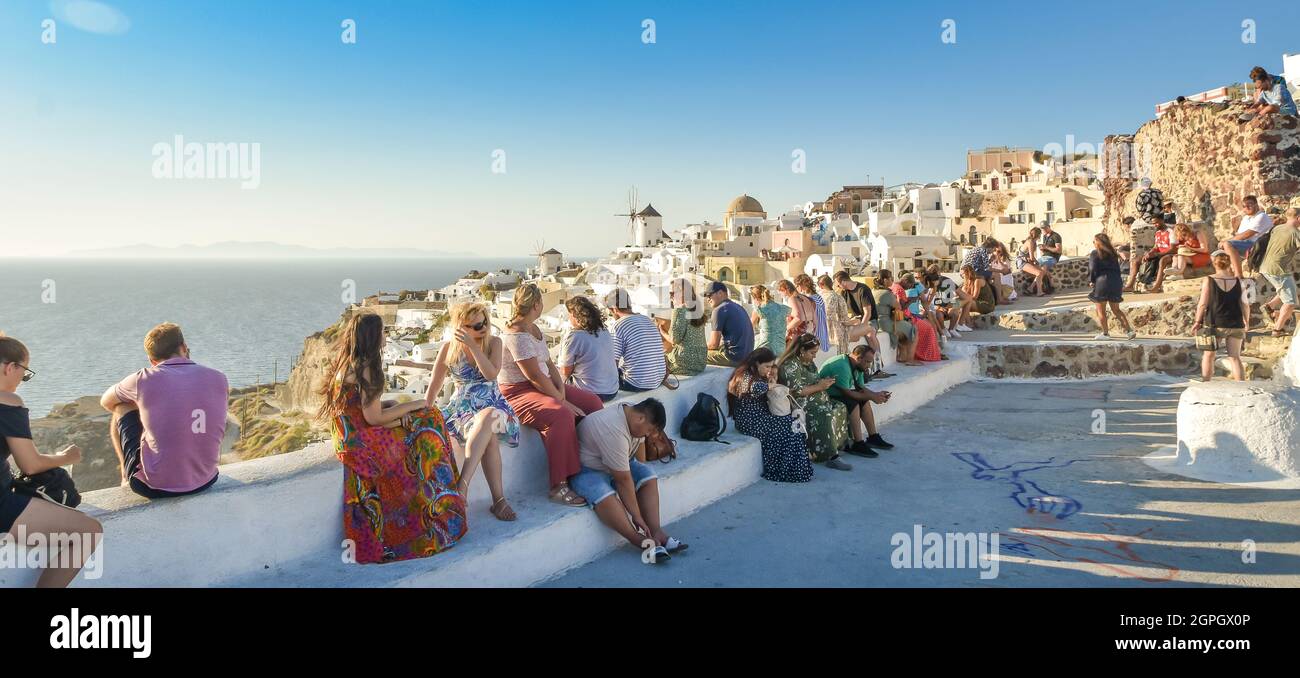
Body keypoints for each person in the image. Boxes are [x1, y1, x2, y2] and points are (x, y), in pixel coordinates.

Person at [318, 313, 467, 563]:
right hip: (362, 440)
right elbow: (374, 419)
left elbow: (362, 409)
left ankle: (439, 505)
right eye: (383, 332)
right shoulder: (368, 368)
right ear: (374, 337)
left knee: (421, 416)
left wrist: (396, 407)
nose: (387, 336)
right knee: (430, 419)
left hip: (348, 435)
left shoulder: (349, 362)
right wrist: (407, 410)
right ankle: (440, 512)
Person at [1, 333, 103, 588]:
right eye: (24, 373)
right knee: (88, 532)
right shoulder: (7, 401)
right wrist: (66, 457)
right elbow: (31, 464)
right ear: (9, 367)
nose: (22, 381)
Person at [498, 284, 604, 507]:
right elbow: (534, 376)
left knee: (592, 402)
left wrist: (562, 390)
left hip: (543, 385)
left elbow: (548, 364)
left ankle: (591, 462)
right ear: (536, 305)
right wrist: (562, 400)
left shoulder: (534, 329)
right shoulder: (516, 334)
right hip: (519, 391)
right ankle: (559, 485)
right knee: (560, 414)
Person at [99, 322, 227, 499]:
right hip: (207, 479)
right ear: (183, 347)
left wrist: (143, 401)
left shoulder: (142, 379)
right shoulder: (218, 378)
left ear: (152, 361)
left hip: (155, 487)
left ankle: (125, 475)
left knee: (121, 406)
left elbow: (106, 402)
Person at [426, 302, 520, 521]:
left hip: (494, 404)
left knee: (488, 417)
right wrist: (425, 412)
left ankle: (462, 486)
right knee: (490, 440)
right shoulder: (449, 348)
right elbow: (434, 385)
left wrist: (475, 346)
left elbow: (490, 374)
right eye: (476, 325)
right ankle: (499, 501)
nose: (483, 328)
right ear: (461, 326)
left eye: (485, 321)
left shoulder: (494, 343)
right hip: (462, 409)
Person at [570, 398, 686, 564]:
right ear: (641, 419)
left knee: (648, 475)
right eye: (649, 430)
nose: (647, 435)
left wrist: (640, 473)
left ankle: (656, 532)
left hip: (613, 463)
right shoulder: (614, 429)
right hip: (587, 469)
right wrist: (636, 515)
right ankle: (638, 539)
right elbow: (623, 480)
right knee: (604, 494)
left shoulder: (633, 413)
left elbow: (637, 460)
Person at [726, 348, 813, 483]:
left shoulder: (756, 373)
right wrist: (771, 385)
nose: (768, 369)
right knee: (790, 427)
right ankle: (782, 471)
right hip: (750, 422)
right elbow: (754, 388)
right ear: (756, 363)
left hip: (762, 417)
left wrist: (771, 381)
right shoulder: (744, 375)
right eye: (766, 366)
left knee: (794, 424)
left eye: (770, 366)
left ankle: (795, 470)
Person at [777, 334, 851, 471]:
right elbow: (795, 392)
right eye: (812, 353)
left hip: (815, 399)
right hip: (799, 404)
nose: (814, 356)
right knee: (824, 414)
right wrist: (820, 387)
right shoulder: (790, 365)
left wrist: (824, 382)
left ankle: (838, 446)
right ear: (802, 350)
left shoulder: (807, 362)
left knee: (840, 406)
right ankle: (830, 456)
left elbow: (813, 380)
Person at [817, 346, 894, 457]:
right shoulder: (841, 366)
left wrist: (876, 395)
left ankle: (873, 437)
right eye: (867, 362)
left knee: (864, 401)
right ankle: (858, 443)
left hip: (841, 393)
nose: (869, 365)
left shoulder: (858, 365)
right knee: (853, 403)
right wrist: (873, 397)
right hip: (826, 395)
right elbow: (848, 393)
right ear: (858, 358)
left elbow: (861, 388)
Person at [1192, 251, 1251, 381]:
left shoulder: (1209, 280)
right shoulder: (1238, 281)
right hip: (1236, 324)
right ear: (1229, 264)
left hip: (1215, 324)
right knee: (1235, 357)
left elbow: (1202, 304)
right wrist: (1246, 321)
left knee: (1209, 355)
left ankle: (1206, 382)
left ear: (1215, 264)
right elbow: (1245, 305)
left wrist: (1197, 321)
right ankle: (1241, 385)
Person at [604, 289, 667, 393]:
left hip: (637, 383)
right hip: (658, 379)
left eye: (610, 312)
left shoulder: (618, 326)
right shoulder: (647, 320)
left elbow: (612, 363)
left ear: (614, 309)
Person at [557, 296, 619, 401]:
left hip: (591, 393)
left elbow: (565, 372)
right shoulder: (604, 331)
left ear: (574, 315)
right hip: (612, 391)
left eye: (569, 315)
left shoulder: (574, 336)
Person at [832, 271, 891, 377]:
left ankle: (878, 366)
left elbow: (867, 313)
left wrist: (861, 327)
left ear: (844, 282)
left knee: (870, 334)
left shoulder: (862, 289)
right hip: (856, 320)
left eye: (838, 284)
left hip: (869, 320)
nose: (837, 286)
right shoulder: (844, 292)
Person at [1259, 207, 1300, 337]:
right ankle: (1277, 330)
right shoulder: (1295, 233)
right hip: (1279, 270)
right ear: (1298, 218)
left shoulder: (1277, 228)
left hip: (1265, 267)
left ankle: (1270, 306)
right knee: (1290, 302)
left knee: (1288, 288)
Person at [1088, 233, 1137, 340]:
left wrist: (1091, 280)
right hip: (1116, 281)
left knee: (1101, 310)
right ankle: (1129, 331)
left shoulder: (1095, 253)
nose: (1093, 243)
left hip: (1102, 282)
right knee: (1116, 310)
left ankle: (1105, 333)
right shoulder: (1113, 254)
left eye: (1094, 241)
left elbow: (1092, 269)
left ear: (1098, 243)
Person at [657, 278, 707, 376]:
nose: (670, 297)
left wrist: (661, 331)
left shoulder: (679, 310)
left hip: (683, 363)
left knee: (652, 361)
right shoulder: (697, 310)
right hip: (700, 363)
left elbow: (674, 339)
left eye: (672, 293)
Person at [873, 269, 920, 366]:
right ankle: (910, 360)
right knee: (914, 330)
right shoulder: (886, 294)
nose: (892, 280)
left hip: (877, 323)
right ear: (885, 280)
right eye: (891, 278)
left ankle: (902, 356)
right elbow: (899, 307)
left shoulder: (873, 291)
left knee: (903, 333)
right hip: (887, 323)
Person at [893, 272, 942, 362]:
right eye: (910, 285)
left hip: (908, 316)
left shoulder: (895, 286)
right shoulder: (899, 289)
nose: (909, 287)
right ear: (905, 281)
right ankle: (922, 356)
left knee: (930, 326)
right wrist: (911, 301)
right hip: (905, 317)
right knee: (927, 329)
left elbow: (924, 302)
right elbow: (901, 307)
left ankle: (930, 352)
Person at [705, 281, 755, 367]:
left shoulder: (719, 310)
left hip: (734, 358)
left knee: (696, 355)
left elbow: (713, 344)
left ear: (720, 293)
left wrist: (697, 347)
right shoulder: (738, 307)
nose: (708, 299)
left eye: (709, 295)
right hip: (747, 357)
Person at [1150, 223, 1210, 292]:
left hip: (1201, 255)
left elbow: (1205, 250)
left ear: (1188, 230)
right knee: (1175, 257)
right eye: (1182, 236)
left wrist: (1189, 248)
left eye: (1184, 235)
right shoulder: (1182, 237)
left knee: (1181, 257)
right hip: (1190, 254)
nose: (1184, 238)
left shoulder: (1197, 234)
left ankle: (1179, 272)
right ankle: (1174, 270)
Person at [1224, 195, 1274, 279]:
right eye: (1244, 206)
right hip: (1246, 244)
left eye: (1249, 204)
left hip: (1257, 245)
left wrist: (1226, 242)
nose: (1246, 207)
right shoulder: (1245, 218)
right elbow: (1239, 235)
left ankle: (1238, 275)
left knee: (1227, 245)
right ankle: (1228, 275)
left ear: (1256, 205)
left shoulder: (1261, 216)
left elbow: (1247, 234)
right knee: (1216, 253)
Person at [1129, 213, 1175, 292]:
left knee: (1162, 261)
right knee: (1135, 260)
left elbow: (1173, 249)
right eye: (1153, 223)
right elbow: (1156, 247)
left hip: (1168, 254)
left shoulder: (1170, 232)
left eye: (1156, 223)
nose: (1155, 225)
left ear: (1162, 220)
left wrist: (1158, 254)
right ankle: (1130, 285)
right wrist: (1149, 253)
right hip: (1158, 254)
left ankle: (1156, 286)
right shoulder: (1158, 233)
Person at [926, 270, 974, 337]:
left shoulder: (945, 283)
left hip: (946, 304)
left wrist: (945, 306)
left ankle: (953, 328)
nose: (931, 286)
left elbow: (947, 300)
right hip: (939, 308)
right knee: (940, 311)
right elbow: (933, 300)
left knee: (956, 309)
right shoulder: (935, 285)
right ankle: (947, 328)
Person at [748, 284, 790, 356]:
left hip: (765, 347)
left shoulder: (759, 310)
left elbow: (749, 329)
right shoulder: (782, 308)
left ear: (755, 298)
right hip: (781, 347)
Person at [775, 279, 818, 347]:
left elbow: (798, 318)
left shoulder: (792, 299)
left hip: (798, 335)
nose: (781, 295)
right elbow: (815, 318)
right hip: (809, 332)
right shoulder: (805, 298)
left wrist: (785, 329)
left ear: (785, 290)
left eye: (780, 292)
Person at [794, 274, 830, 352]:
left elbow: (810, 318)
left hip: (815, 333)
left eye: (797, 286)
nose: (796, 288)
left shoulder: (808, 299)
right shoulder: (818, 297)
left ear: (802, 285)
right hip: (823, 332)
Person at [1014, 227, 1052, 296]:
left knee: (1042, 272)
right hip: (1022, 262)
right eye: (1040, 234)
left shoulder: (1034, 242)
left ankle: (1030, 289)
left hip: (1027, 261)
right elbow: (1031, 257)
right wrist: (1038, 263)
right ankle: (1039, 292)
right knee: (1039, 273)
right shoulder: (1030, 242)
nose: (1041, 235)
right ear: (1037, 234)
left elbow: (1031, 257)